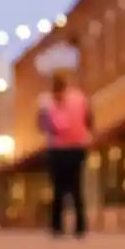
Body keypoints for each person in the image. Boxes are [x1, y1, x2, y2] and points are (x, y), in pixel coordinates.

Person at [39, 71, 94, 238]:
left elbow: (41, 124)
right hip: (73, 146)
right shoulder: (78, 98)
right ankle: (75, 227)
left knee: (62, 188)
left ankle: (61, 227)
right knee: (72, 187)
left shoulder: (47, 102)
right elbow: (90, 119)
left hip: (62, 148)